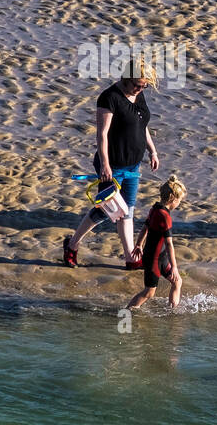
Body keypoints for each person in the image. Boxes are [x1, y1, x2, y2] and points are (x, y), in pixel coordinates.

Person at [63, 58, 161, 268]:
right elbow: (102, 135)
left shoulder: (139, 95)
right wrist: (105, 165)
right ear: (126, 78)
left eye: (144, 86)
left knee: (127, 210)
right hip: (112, 166)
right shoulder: (109, 98)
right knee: (110, 211)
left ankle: (130, 258)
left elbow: (141, 125)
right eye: (137, 84)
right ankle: (72, 246)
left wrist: (152, 151)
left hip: (133, 166)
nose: (140, 89)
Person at [126, 175, 186, 311]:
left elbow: (145, 228)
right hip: (154, 259)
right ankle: (127, 311)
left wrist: (138, 245)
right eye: (179, 201)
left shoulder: (155, 208)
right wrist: (175, 267)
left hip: (161, 257)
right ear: (173, 199)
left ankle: (172, 312)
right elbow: (169, 244)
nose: (179, 204)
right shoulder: (165, 217)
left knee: (177, 282)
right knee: (149, 292)